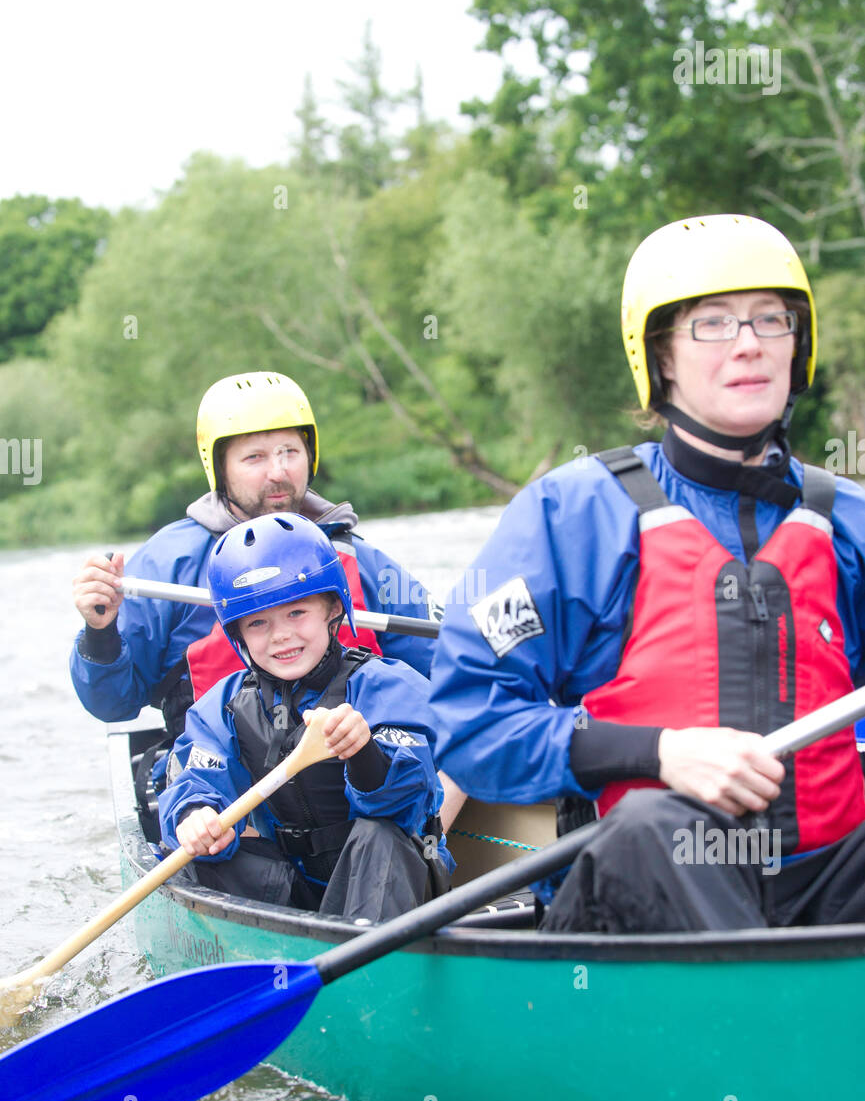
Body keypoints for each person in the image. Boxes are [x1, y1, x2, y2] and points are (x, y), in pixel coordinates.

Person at [430, 213, 865, 933]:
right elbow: (470, 727)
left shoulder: (847, 518)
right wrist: (659, 752)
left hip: (824, 891)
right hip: (640, 893)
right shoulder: (570, 517)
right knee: (653, 825)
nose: (749, 344)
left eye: (770, 320)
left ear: (799, 344)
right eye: (713, 324)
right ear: (659, 357)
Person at [70, 371, 440, 743]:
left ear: (309, 457)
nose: (277, 472)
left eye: (289, 452)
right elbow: (112, 703)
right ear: (220, 469)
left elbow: (444, 670)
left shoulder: (353, 557)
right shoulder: (171, 561)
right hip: (219, 774)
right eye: (255, 458)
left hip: (355, 768)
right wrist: (100, 634)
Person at [159, 512, 454, 920]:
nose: (280, 635)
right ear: (237, 632)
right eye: (258, 622)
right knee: (196, 855)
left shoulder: (386, 686)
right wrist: (195, 815)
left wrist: (364, 752)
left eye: (297, 613)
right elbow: (194, 775)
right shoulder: (223, 706)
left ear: (333, 607)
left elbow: (409, 802)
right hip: (295, 894)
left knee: (378, 836)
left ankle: (373, 973)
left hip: (391, 888)